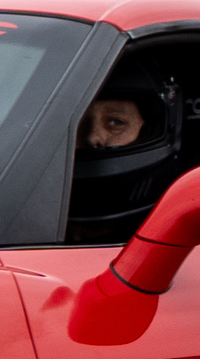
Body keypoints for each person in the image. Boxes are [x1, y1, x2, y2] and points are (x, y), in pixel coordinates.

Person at [67, 74, 184, 241]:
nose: (93, 137)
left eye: (116, 122)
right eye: (79, 122)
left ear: (148, 130)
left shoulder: (173, 228)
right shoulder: (26, 211)